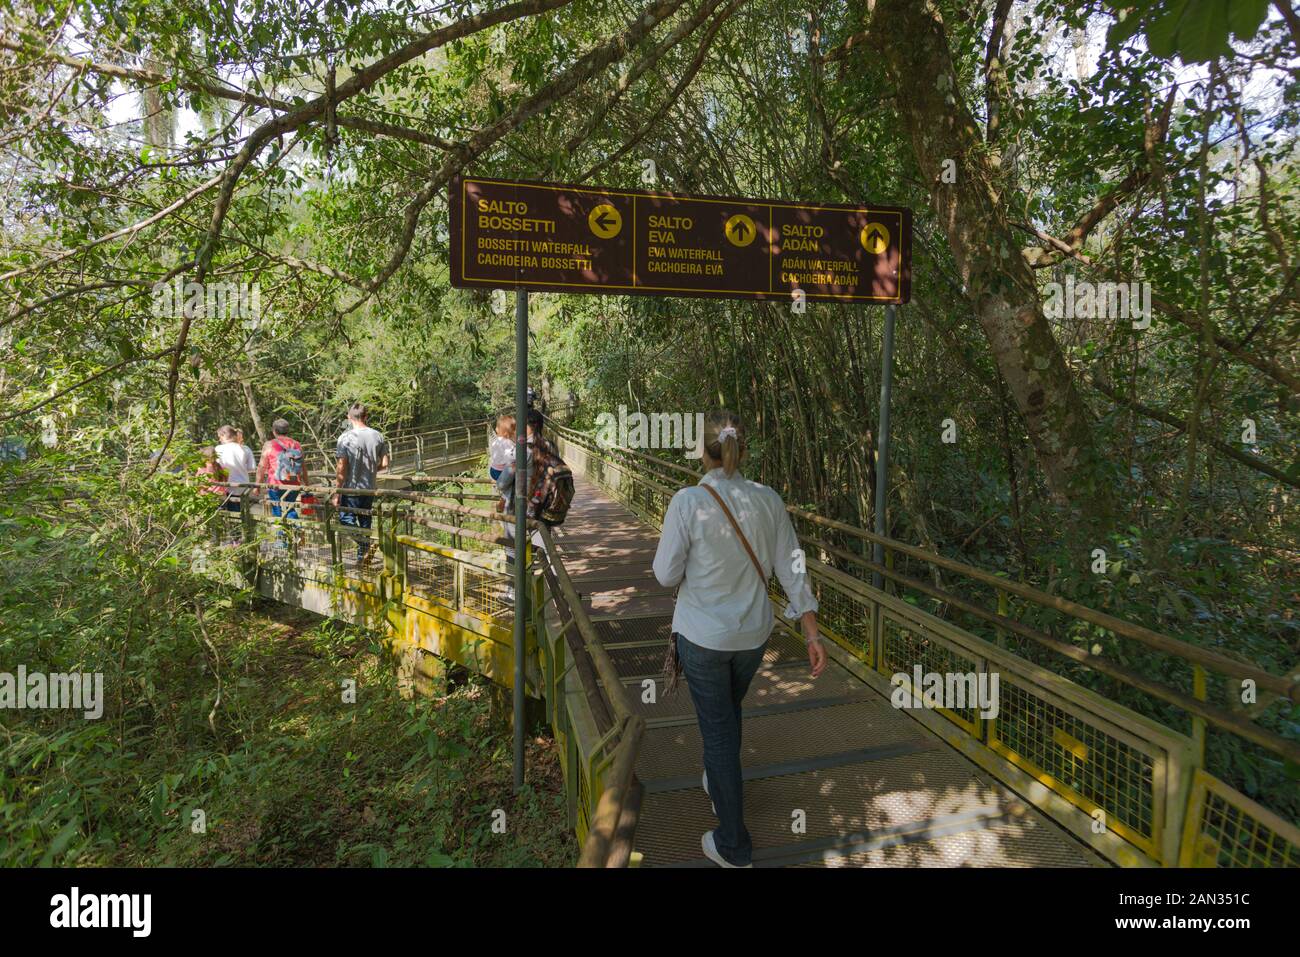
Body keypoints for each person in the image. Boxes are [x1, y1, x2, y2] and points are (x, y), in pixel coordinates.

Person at [652, 410, 825, 869]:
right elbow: (794, 565)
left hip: (703, 637)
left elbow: (664, 573)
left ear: (700, 452)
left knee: (719, 733)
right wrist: (810, 630)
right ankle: (718, 781)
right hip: (752, 637)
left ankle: (734, 845)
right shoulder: (768, 499)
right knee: (726, 715)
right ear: (742, 451)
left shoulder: (687, 502)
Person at [333, 403, 389, 564]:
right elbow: (385, 463)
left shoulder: (345, 438)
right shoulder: (377, 435)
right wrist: (371, 470)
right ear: (366, 417)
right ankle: (363, 558)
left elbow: (342, 467)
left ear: (349, 418)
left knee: (345, 520)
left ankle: (366, 545)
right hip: (369, 489)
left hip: (351, 489)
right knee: (365, 522)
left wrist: (337, 491)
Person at [257, 419, 308, 520]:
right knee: (290, 508)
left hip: (275, 484)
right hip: (294, 483)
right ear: (288, 430)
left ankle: (282, 534)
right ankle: (295, 531)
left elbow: (262, 466)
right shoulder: (297, 444)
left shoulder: (269, 445)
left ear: (274, 431)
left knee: (277, 510)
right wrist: (306, 483)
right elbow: (303, 466)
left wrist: (257, 485)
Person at [214, 425, 251, 512]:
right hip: (243, 484)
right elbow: (250, 467)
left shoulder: (219, 449)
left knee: (234, 510)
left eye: (220, 437)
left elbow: (217, 467)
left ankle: (237, 524)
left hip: (229, 485)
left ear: (224, 436)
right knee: (242, 510)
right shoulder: (244, 449)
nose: (219, 440)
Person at [489, 414, 516, 483]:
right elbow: (510, 458)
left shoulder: (495, 441)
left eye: (497, 426)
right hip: (501, 472)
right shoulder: (508, 443)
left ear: (498, 430)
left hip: (493, 470)